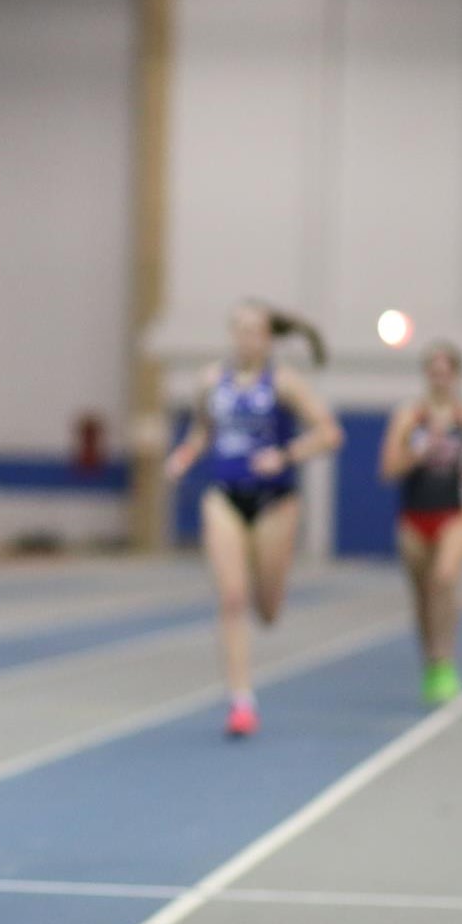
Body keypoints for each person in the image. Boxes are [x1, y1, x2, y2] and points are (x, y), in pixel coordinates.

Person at [164, 301, 343, 738]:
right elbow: (202, 433)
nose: (246, 339)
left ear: (268, 339)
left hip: (274, 501)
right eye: (239, 330)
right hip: (224, 496)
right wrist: (184, 457)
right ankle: (241, 701)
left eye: (254, 331)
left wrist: (285, 455)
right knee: (232, 598)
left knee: (267, 608)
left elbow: (329, 433)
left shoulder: (284, 383)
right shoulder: (210, 381)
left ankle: (272, 596)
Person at [379, 342, 462, 707]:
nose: (440, 378)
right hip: (413, 516)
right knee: (422, 598)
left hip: (452, 514)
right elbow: (387, 469)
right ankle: (431, 663)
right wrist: (415, 454)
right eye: (433, 372)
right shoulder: (409, 417)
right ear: (426, 375)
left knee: (445, 579)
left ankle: (446, 659)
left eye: (446, 371)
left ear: (456, 375)